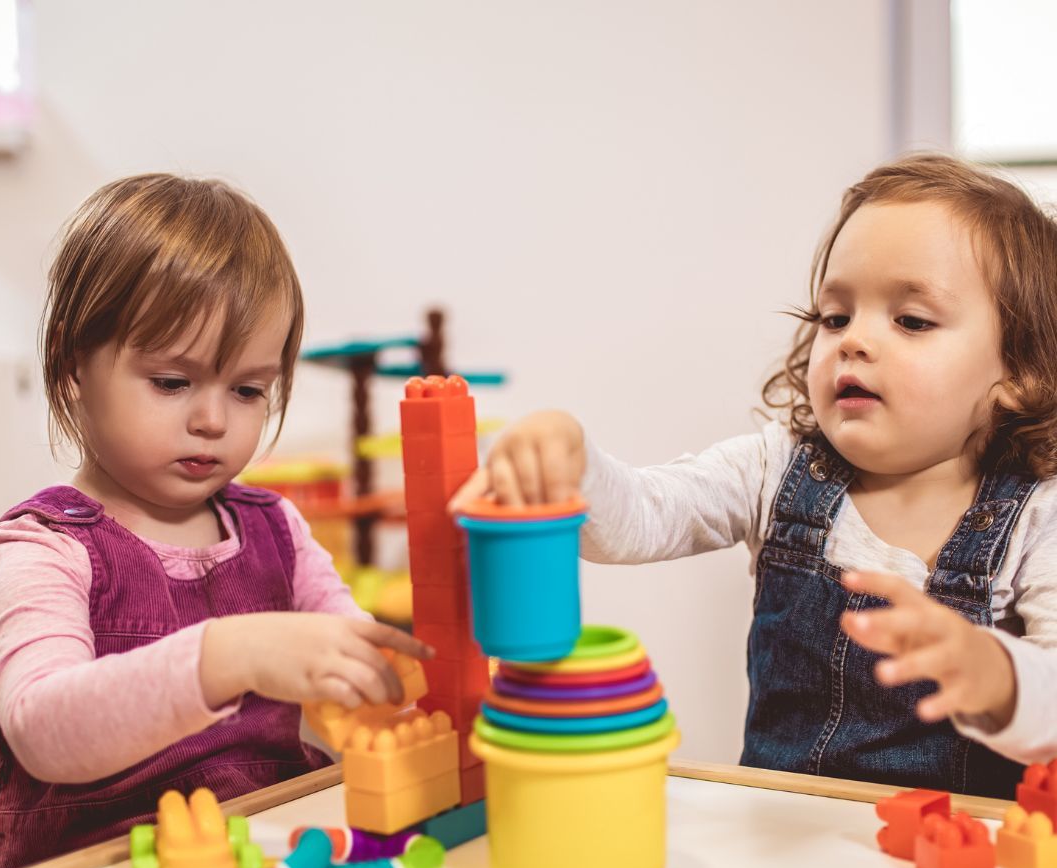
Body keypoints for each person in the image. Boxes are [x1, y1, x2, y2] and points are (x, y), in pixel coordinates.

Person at [453, 154, 1057, 799]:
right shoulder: (774, 469)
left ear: (1017, 371)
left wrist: (994, 675)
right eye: (835, 316)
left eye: (911, 320)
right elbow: (639, 519)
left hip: (952, 861)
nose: (853, 341)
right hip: (781, 833)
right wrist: (569, 460)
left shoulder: (1037, 519)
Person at [0, 174, 432, 868]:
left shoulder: (277, 528)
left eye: (248, 390)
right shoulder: (41, 550)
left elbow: (351, 662)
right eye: (171, 381)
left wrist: (396, 698)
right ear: (73, 367)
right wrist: (226, 656)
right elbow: (42, 728)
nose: (213, 420)